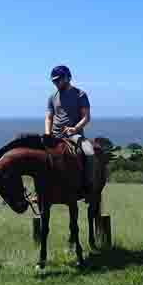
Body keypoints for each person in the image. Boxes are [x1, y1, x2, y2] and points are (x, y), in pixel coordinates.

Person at [44, 65, 95, 195]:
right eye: (54, 81)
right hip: (54, 135)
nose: (56, 83)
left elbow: (86, 117)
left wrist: (75, 129)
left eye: (58, 80)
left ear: (67, 78)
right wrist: (47, 133)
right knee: (38, 156)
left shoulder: (80, 95)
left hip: (74, 135)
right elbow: (49, 117)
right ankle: (39, 191)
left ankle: (88, 186)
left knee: (89, 152)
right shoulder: (52, 97)